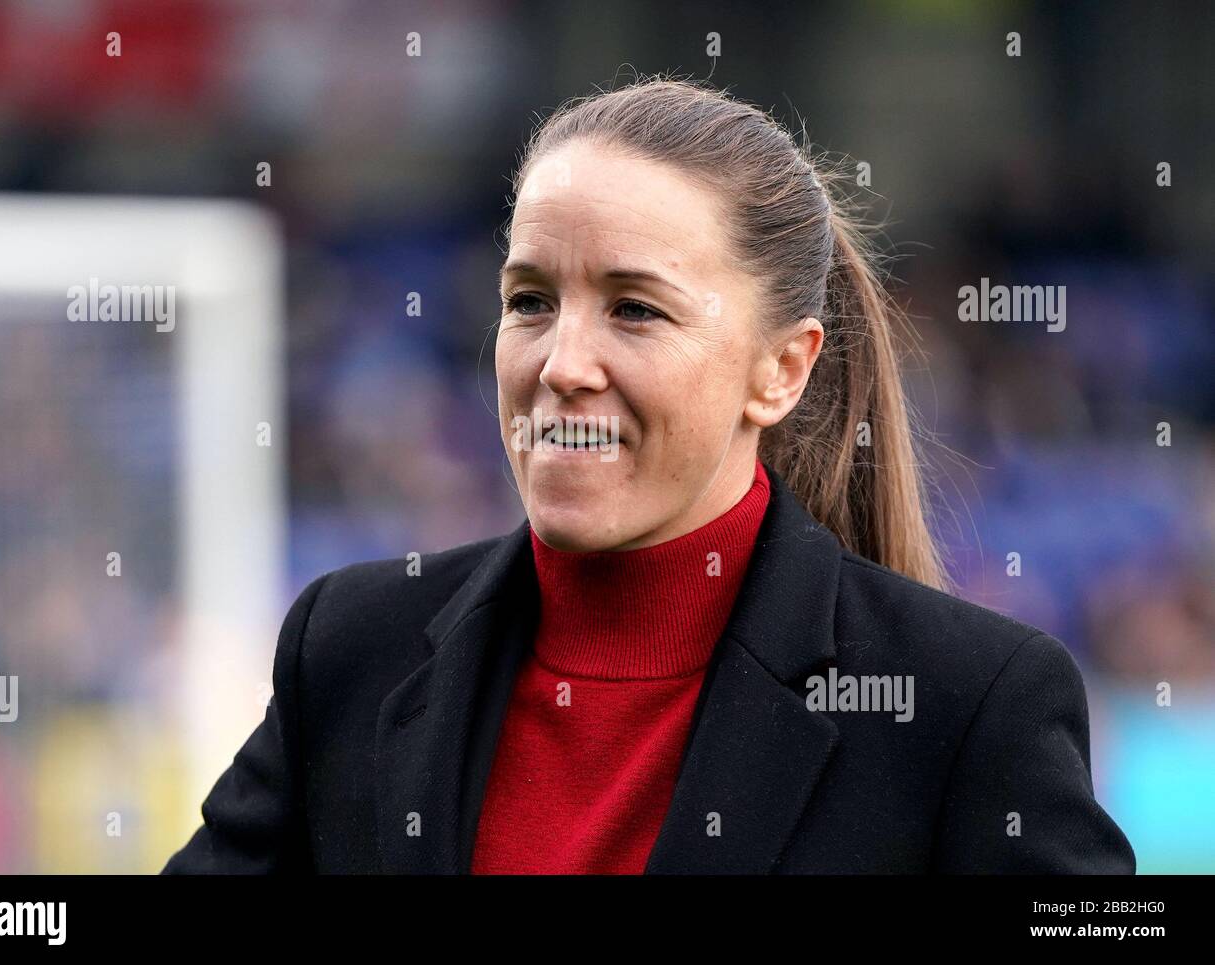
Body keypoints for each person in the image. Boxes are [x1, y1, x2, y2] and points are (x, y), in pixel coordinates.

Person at [162, 77, 1135, 874]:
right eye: (530, 299)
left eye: (634, 309)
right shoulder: (349, 649)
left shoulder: (966, 700)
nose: (561, 361)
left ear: (782, 367)